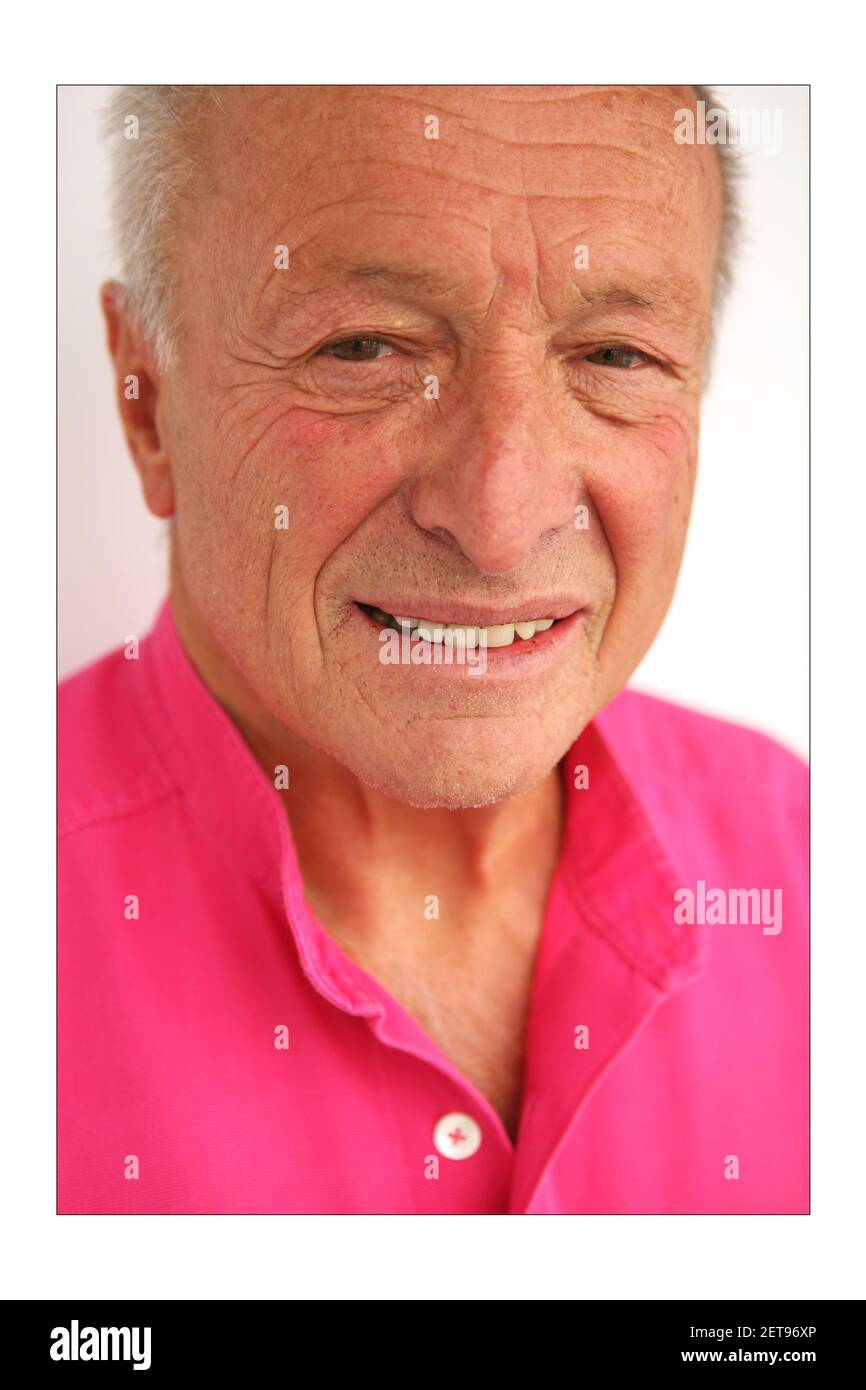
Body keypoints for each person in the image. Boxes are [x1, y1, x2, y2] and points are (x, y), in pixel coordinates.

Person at [59, 85, 807, 1213]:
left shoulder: (805, 859)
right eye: (362, 347)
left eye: (611, 354)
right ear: (147, 399)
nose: (501, 518)